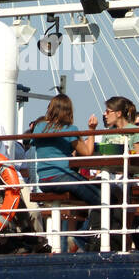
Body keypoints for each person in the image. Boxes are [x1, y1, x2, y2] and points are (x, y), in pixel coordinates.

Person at [30, 95, 99, 252]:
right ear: (68, 111)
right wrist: (91, 130)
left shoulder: (39, 127)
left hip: (45, 180)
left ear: (51, 109)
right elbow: (87, 152)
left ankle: (85, 236)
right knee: (103, 197)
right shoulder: (70, 130)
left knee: (91, 194)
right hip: (62, 175)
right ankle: (82, 236)